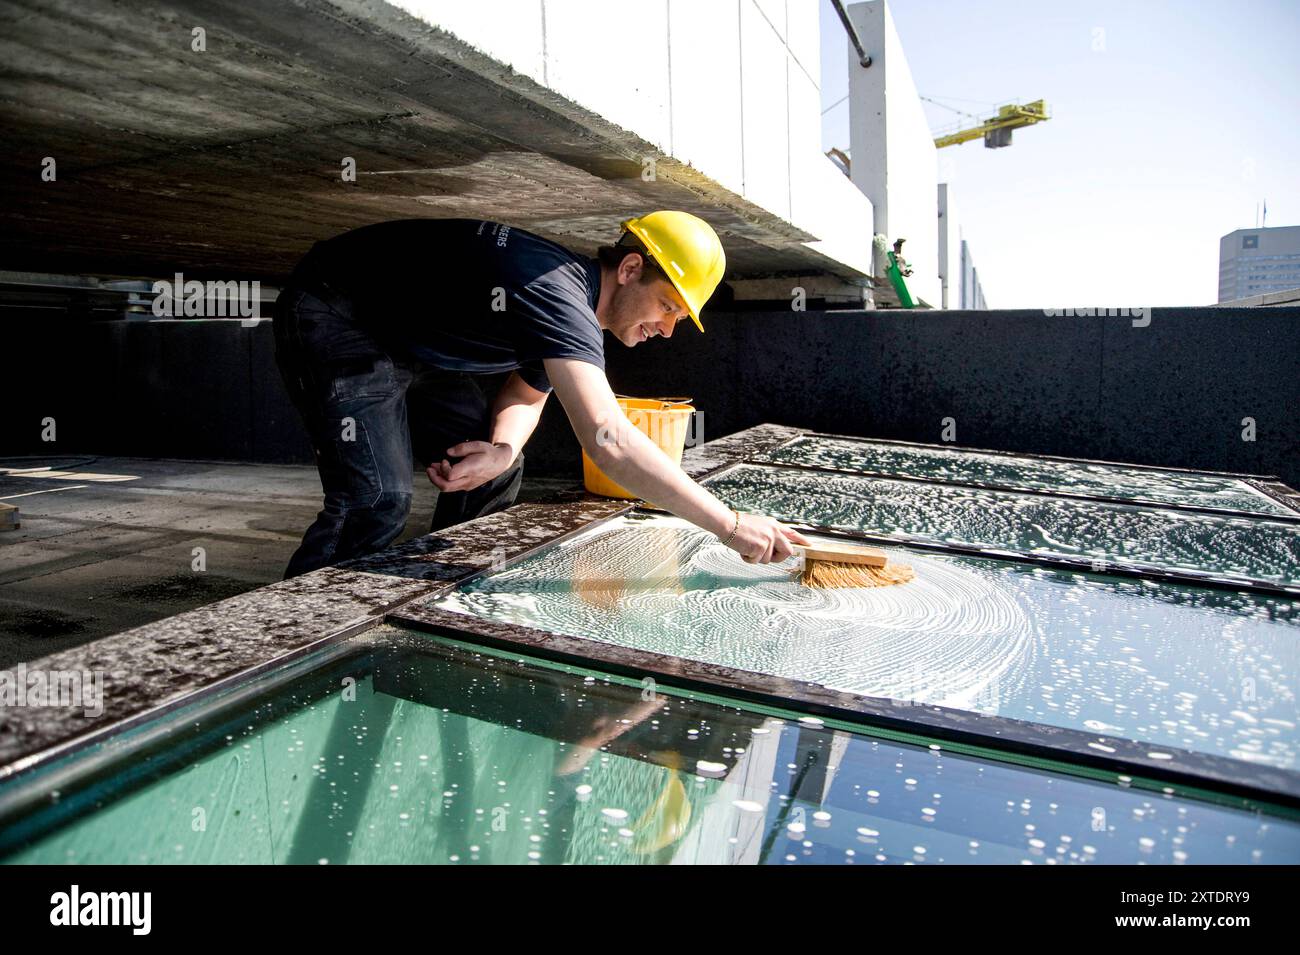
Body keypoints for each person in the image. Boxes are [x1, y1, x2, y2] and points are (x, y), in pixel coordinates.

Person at [271, 211, 810, 579]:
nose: (667, 329)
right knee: (377, 501)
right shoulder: (558, 298)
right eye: (668, 307)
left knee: (493, 462)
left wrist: (502, 450)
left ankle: (448, 592)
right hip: (337, 312)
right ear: (629, 269)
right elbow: (609, 442)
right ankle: (295, 641)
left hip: (415, 339)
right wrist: (730, 525)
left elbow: (525, 395)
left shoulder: (570, 306)